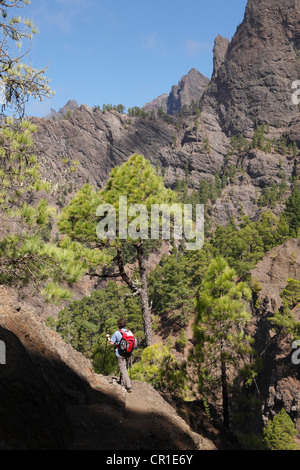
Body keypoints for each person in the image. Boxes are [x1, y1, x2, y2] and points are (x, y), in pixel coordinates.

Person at [106, 318, 136, 393]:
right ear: (125, 325)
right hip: (128, 353)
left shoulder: (117, 333)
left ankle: (129, 386)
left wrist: (108, 338)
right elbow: (134, 342)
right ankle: (122, 383)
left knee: (123, 369)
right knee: (124, 368)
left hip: (119, 353)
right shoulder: (129, 332)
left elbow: (112, 343)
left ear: (118, 325)